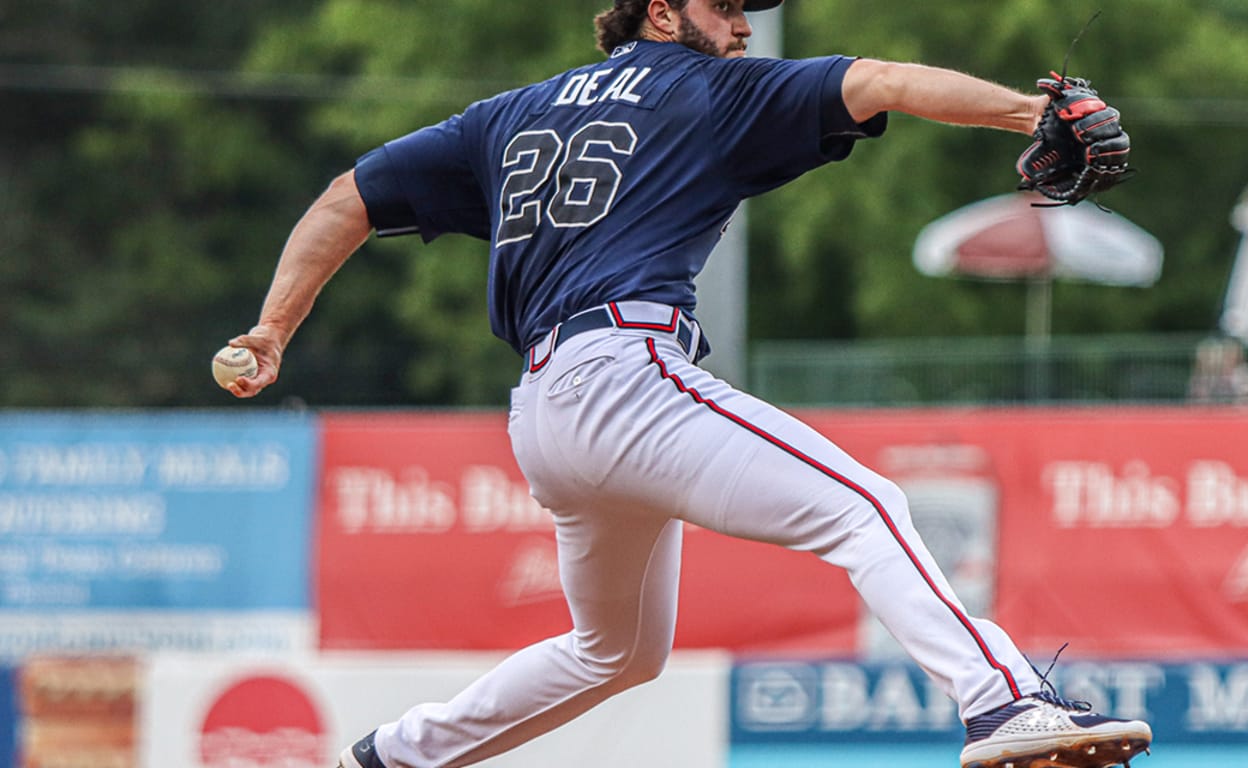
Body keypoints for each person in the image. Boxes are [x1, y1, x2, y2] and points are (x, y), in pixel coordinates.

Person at [224, 1, 1153, 766]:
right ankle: (1004, 704)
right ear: (661, 13)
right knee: (865, 506)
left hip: (546, 414)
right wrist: (1028, 116)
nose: (745, 23)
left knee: (615, 651)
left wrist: (272, 329)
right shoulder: (704, 86)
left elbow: (348, 195)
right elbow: (887, 82)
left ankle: (393, 756)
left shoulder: (507, 114)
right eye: (725, 6)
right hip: (625, 374)